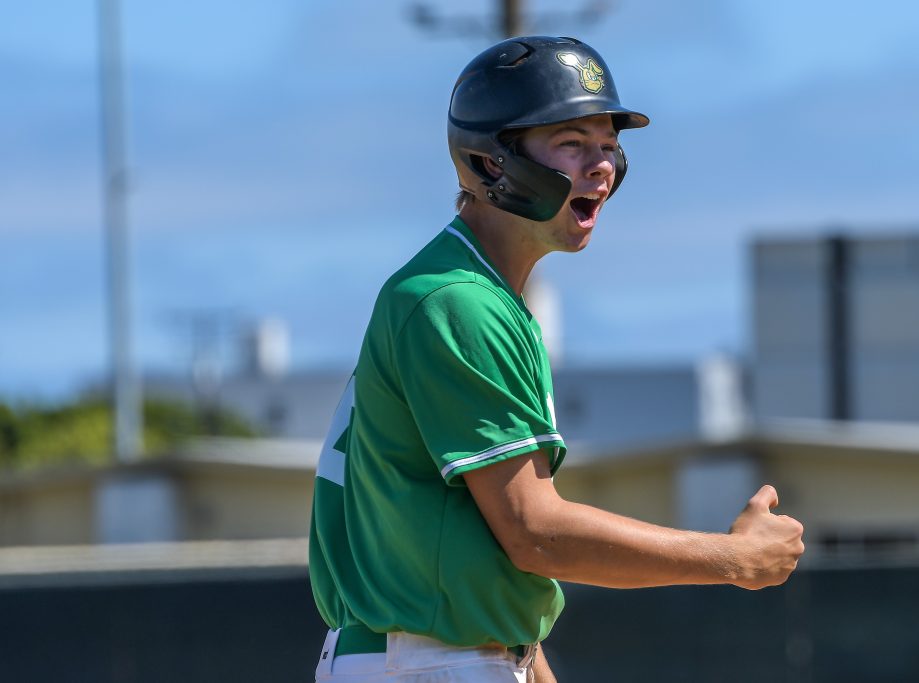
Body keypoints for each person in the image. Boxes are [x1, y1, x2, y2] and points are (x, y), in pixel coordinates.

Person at [309, 35, 804, 683]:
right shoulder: (458, 302)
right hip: (425, 662)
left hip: (438, 657)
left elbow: (489, 556)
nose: (601, 164)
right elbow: (533, 532)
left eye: (609, 144)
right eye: (572, 142)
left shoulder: (468, 291)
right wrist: (731, 556)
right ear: (489, 163)